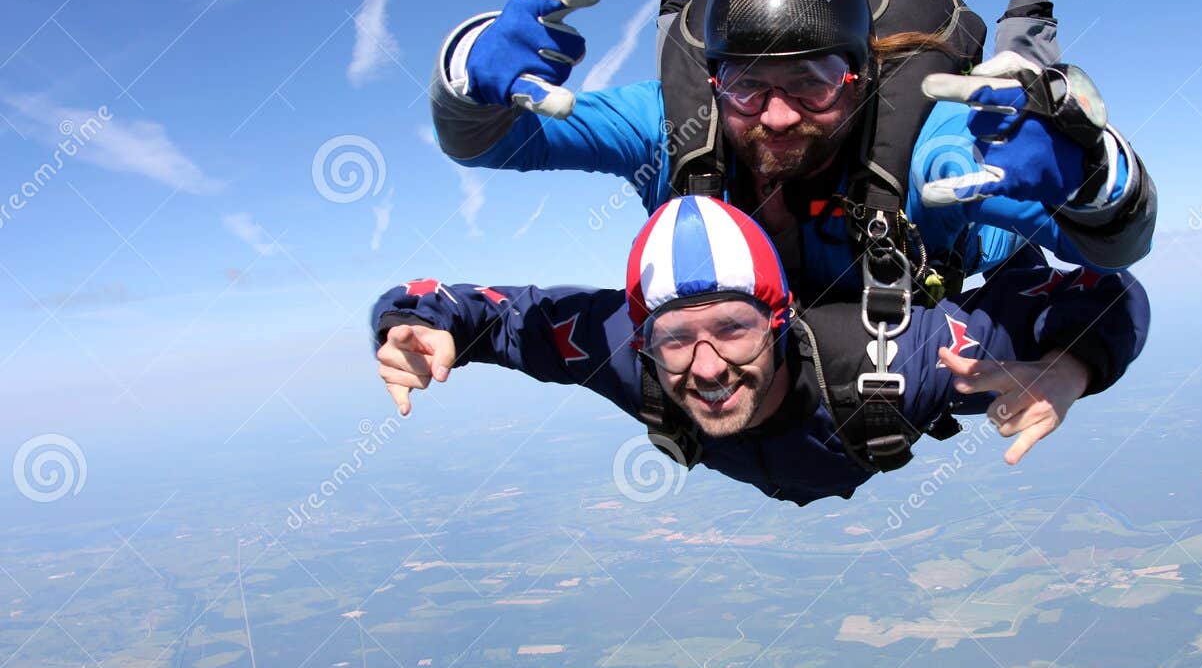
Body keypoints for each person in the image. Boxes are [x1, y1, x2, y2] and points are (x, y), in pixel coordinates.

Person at [428, 0, 1155, 309]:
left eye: (813, 82)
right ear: (715, 81)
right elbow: (485, 143)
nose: (778, 115)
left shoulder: (928, 152)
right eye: (747, 86)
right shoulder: (673, 125)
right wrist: (471, 76)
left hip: (967, 249)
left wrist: (1088, 171)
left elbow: (1115, 247)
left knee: (1018, 90)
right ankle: (679, 8)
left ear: (861, 75)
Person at [371, 197, 1149, 506]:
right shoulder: (626, 354)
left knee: (991, 235)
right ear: (645, 340)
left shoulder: (895, 360)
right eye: (676, 338)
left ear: (780, 319)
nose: (707, 366)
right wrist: (414, 320)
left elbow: (1109, 289)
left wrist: (1073, 365)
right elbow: (495, 313)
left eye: (734, 328)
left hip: (940, 275)